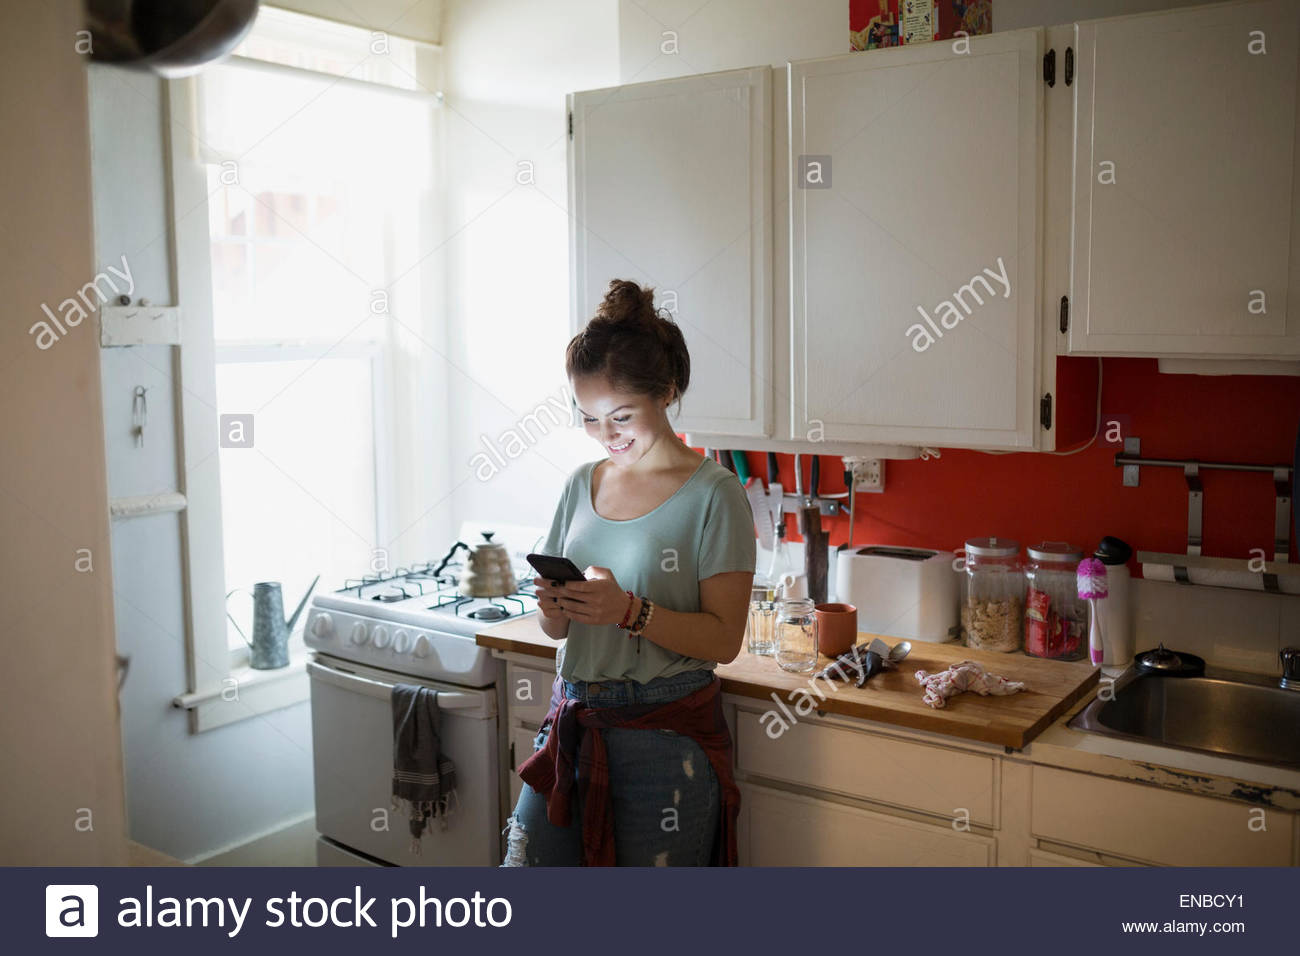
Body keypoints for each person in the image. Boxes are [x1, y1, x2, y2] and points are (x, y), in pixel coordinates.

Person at [502, 278, 757, 867]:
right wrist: (552, 606)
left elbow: (723, 638)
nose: (606, 436)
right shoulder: (581, 484)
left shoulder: (715, 494)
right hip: (569, 722)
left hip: (663, 740)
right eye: (589, 419)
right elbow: (556, 634)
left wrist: (630, 612)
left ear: (666, 392)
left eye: (621, 416)